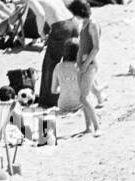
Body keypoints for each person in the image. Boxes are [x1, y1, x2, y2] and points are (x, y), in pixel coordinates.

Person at [27, 0, 80, 108]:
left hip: (61, 26)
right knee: (71, 61)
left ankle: (48, 101)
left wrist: (41, 32)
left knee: (50, 64)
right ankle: (75, 96)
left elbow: (40, 14)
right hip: (73, 22)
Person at [70, 0, 101, 136]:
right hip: (82, 64)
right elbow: (82, 45)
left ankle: (97, 126)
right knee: (83, 96)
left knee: (84, 97)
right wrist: (78, 63)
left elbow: (96, 48)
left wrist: (85, 65)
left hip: (90, 64)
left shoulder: (93, 25)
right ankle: (88, 127)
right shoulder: (84, 24)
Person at [51, 37, 81, 115]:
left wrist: (64, 87)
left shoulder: (58, 66)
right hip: (78, 104)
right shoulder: (80, 67)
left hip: (62, 105)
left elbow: (53, 90)